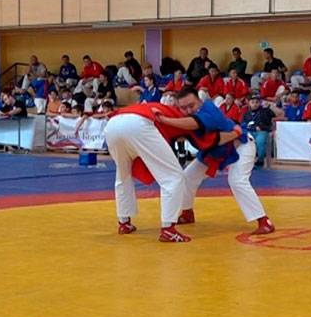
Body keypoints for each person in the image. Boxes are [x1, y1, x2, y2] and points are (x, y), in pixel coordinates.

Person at [105, 101, 241, 242]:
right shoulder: (188, 120)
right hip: (139, 124)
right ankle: (168, 229)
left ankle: (124, 223)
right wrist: (236, 133)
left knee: (123, 176)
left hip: (113, 124)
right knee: (173, 177)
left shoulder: (167, 109)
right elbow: (210, 140)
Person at [155, 88, 275, 234]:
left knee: (237, 180)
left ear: (200, 101)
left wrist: (164, 119)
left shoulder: (209, 109)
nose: (188, 110)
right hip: (215, 151)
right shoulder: (187, 117)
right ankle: (187, 213)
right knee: (188, 177)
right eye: (183, 108)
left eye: (191, 106)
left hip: (240, 145)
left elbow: (214, 136)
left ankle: (264, 221)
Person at [242, 95, 276, 168]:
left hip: (262, 131)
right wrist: (251, 128)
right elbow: (243, 125)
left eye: (257, 102)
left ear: (260, 103)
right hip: (250, 132)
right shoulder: (246, 114)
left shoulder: (265, 111)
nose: (255, 104)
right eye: (253, 102)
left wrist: (268, 108)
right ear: (249, 103)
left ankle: (260, 161)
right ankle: (247, 161)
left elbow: (271, 119)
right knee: (244, 140)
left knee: (260, 141)